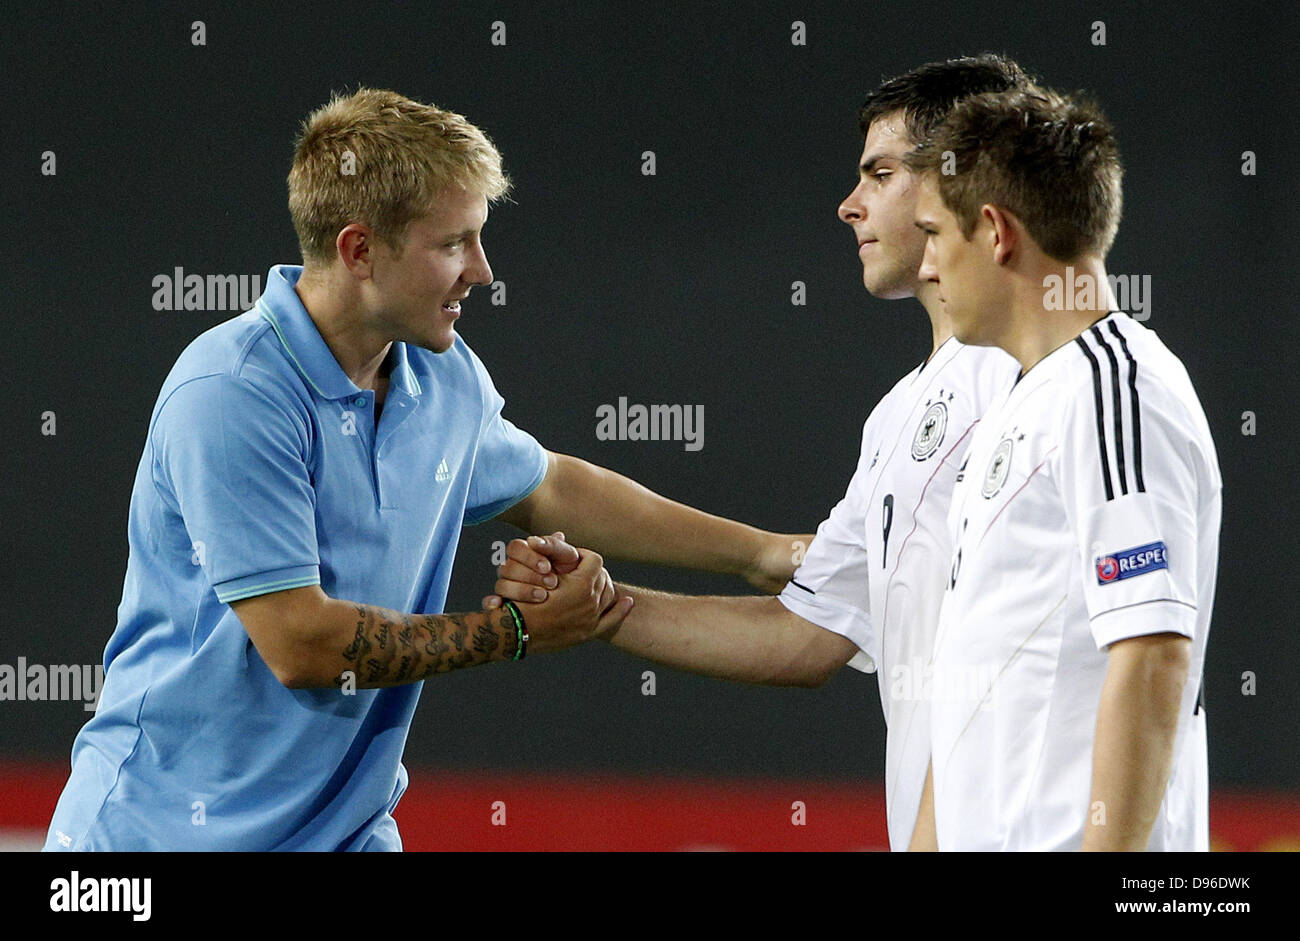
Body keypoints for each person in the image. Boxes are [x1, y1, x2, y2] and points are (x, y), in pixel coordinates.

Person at [42, 88, 802, 852]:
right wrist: (510, 630)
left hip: (348, 835)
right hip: (153, 842)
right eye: (454, 243)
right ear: (359, 250)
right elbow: (301, 644)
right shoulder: (232, 392)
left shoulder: (443, 377)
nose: (482, 269)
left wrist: (761, 553)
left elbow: (551, 486)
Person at [488, 56, 1026, 851]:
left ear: (962, 181)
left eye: (880, 173)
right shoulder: (900, 414)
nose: (849, 206)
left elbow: (1035, 659)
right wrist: (598, 605)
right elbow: (805, 636)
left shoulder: (1038, 381)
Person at [902, 85, 1220, 850]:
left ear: (996, 232)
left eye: (935, 233)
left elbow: (1151, 654)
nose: (927, 264)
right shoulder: (1022, 403)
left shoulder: (1119, 391)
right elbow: (973, 692)